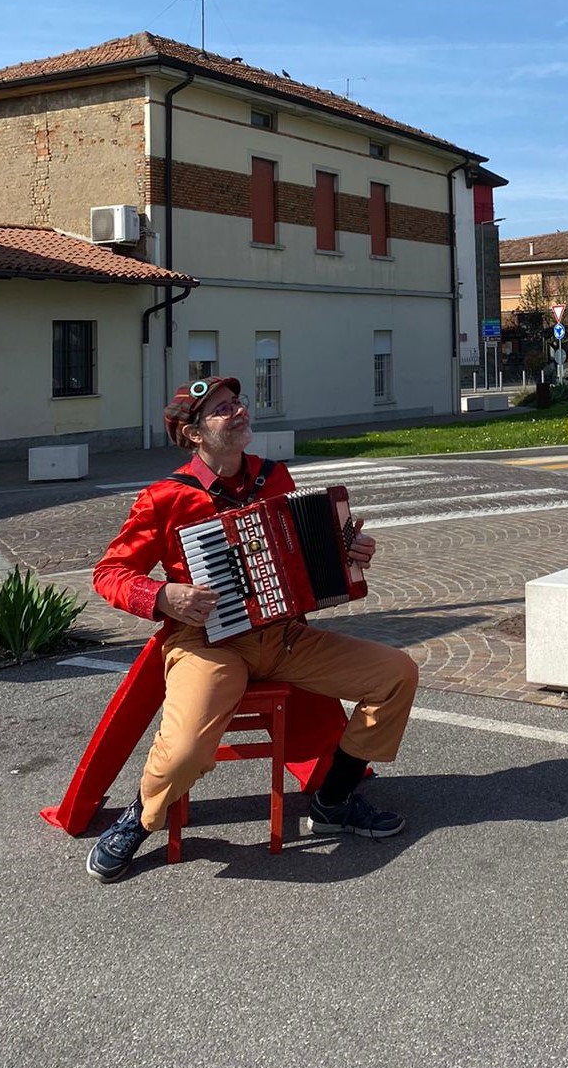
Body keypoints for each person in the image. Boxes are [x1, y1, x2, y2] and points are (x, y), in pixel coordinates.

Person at [85, 376, 419, 882]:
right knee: (184, 750)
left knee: (396, 673)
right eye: (221, 409)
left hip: (284, 637)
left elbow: (297, 555)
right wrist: (161, 595)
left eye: (237, 402)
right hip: (208, 643)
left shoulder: (274, 478)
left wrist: (348, 554)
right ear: (194, 433)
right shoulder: (166, 498)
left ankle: (333, 798)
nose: (238, 411)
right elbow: (109, 573)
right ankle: (142, 816)